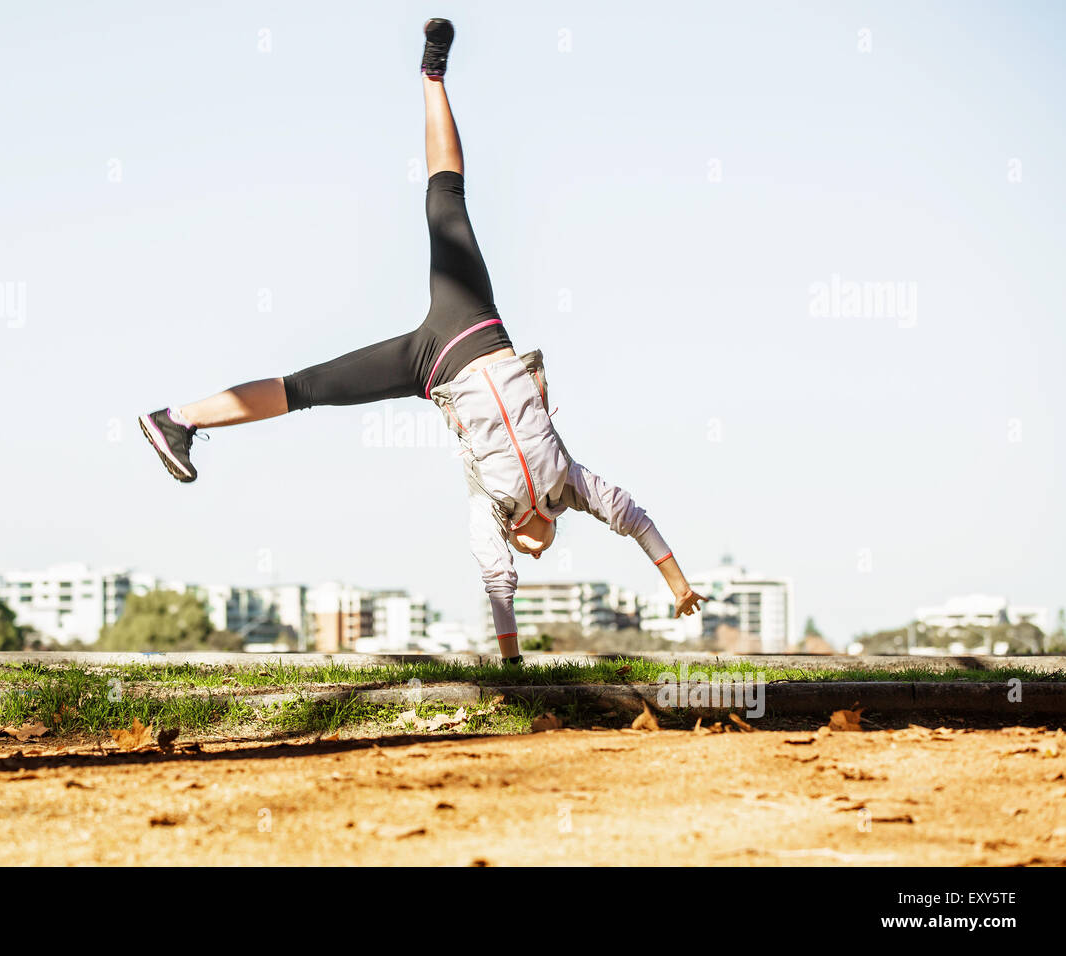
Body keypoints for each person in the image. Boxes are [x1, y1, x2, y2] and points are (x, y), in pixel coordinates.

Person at [139, 19, 707, 662]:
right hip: (477, 325)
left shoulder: (488, 510)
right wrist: (677, 583)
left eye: (530, 551)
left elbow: (497, 581)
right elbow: (633, 516)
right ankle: (434, 76)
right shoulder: (573, 486)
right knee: (448, 202)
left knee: (306, 389)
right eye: (539, 546)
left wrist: (512, 659)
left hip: (430, 367)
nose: (536, 548)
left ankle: (175, 418)